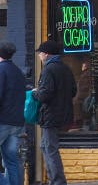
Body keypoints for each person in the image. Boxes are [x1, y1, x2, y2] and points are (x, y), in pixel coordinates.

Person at [32, 40, 77, 185]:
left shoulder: (48, 69)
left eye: (40, 53)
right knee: (45, 147)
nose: (39, 56)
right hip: (64, 114)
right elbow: (73, 91)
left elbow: (45, 95)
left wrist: (35, 93)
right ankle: (54, 180)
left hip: (51, 115)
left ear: (46, 54)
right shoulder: (65, 68)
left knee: (50, 149)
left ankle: (57, 181)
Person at [0, 41, 25, 185]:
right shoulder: (18, 71)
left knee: (10, 160)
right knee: (11, 161)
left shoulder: (1, 70)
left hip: (3, 121)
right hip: (16, 122)